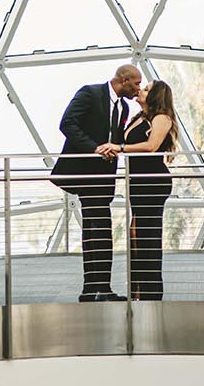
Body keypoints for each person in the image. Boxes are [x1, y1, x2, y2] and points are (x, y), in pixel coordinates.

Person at [50, 64, 142, 302]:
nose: (137, 88)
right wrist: (94, 149)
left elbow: (115, 138)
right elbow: (67, 123)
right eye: (136, 83)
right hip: (86, 174)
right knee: (98, 229)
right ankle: (97, 289)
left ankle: (95, 289)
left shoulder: (122, 107)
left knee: (97, 230)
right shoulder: (90, 93)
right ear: (124, 79)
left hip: (105, 177)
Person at [119, 80, 176, 301]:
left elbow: (152, 146)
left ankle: (151, 295)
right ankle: (138, 293)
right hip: (138, 181)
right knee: (136, 235)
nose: (140, 90)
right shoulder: (139, 117)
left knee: (147, 237)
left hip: (152, 181)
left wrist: (119, 148)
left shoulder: (161, 118)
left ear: (155, 95)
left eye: (145, 89)